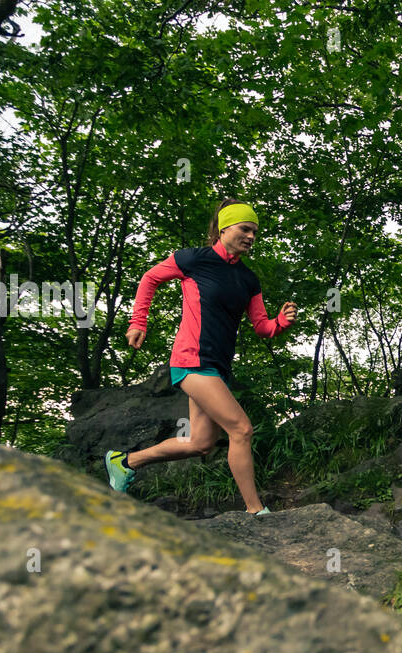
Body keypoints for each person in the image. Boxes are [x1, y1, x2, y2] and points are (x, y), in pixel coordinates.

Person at [105, 199, 296, 514]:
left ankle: (124, 461)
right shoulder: (194, 259)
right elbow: (150, 278)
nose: (251, 236)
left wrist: (281, 323)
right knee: (241, 429)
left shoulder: (249, 280)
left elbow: (262, 326)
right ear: (224, 228)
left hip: (217, 366)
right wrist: (138, 321)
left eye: (255, 232)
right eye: (245, 228)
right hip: (191, 359)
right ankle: (255, 510)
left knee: (201, 443)